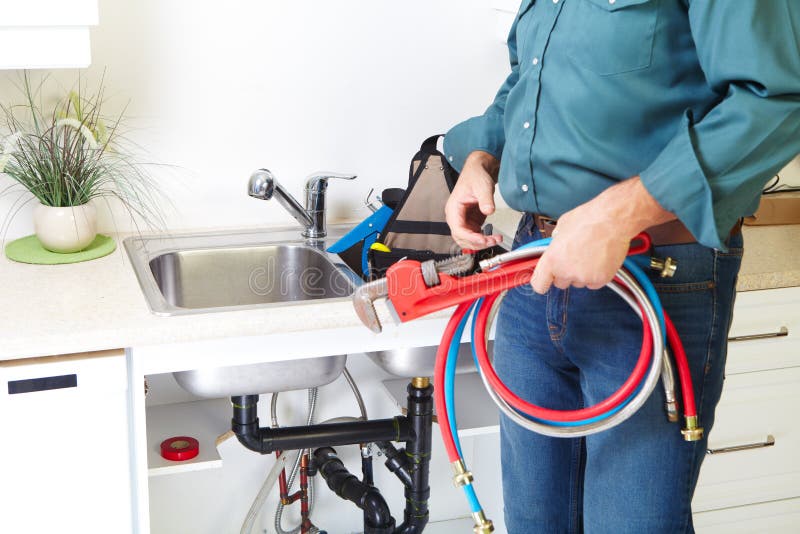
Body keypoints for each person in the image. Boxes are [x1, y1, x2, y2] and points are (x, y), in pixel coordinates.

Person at [442, 1, 800, 532]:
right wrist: (482, 156)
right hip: (531, 268)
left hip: (653, 275)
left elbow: (777, 101)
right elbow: (528, 75)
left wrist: (623, 211)